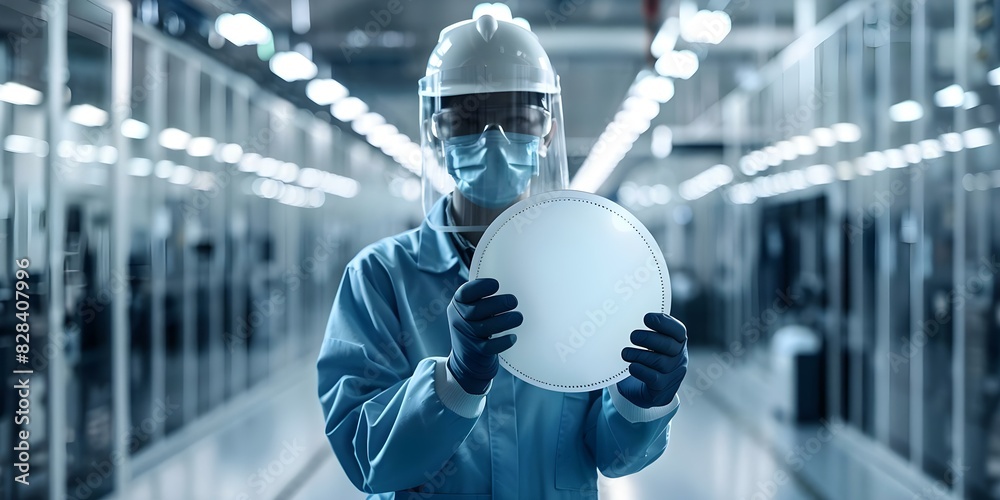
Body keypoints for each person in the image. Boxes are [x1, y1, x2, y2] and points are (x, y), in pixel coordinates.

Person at [317, 13, 689, 500]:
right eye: (466, 118)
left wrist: (640, 405)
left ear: (547, 131)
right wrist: (453, 383)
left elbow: (614, 457)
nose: (492, 136)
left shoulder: (590, 265)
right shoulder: (380, 277)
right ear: (436, 134)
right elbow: (367, 458)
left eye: (517, 118)